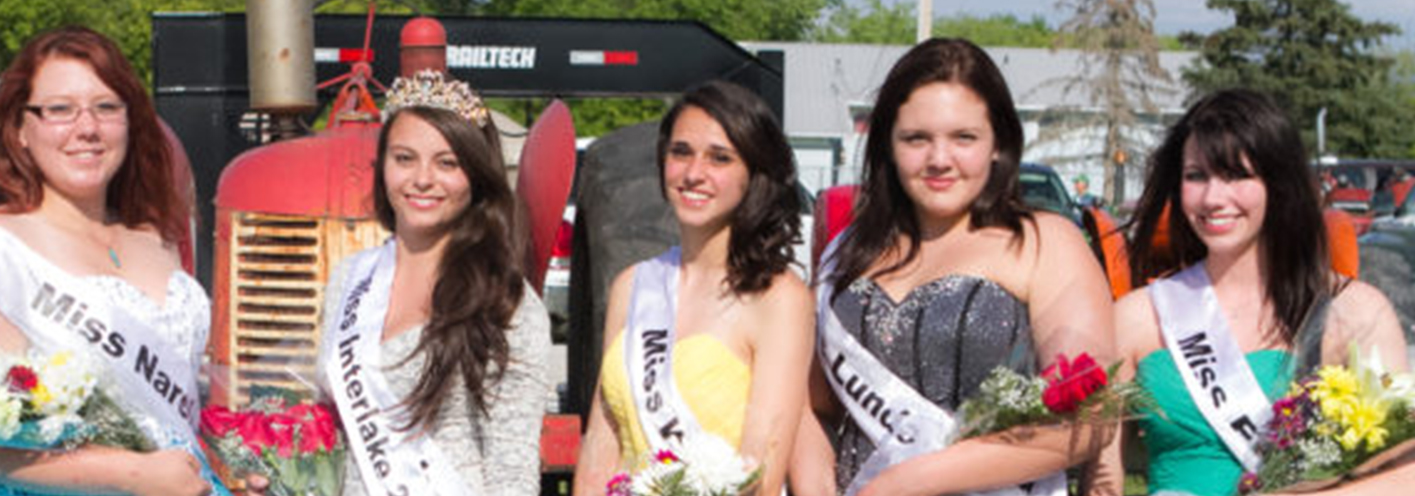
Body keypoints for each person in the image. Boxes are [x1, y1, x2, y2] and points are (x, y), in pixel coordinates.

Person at [792, 38, 1116, 496]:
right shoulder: (847, 252)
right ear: (888, 145)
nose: (939, 160)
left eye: (964, 137)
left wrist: (908, 482)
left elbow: (1088, 417)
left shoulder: (1044, 242)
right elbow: (810, 406)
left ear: (999, 144)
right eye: (916, 139)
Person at [0, 26, 224, 496]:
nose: (87, 128)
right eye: (60, 109)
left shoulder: (154, 236)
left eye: (106, 107)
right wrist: (131, 474)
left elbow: (179, 407)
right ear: (19, 129)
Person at [1102, 89, 1410, 496]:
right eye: (1196, 176)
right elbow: (1100, 480)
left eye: (1237, 175)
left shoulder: (1354, 312)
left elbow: (1404, 473)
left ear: (1279, 184)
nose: (1213, 198)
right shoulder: (1139, 315)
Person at [571, 80, 815, 496]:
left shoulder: (778, 298)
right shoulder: (633, 286)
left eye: (720, 158)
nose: (693, 173)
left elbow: (762, 471)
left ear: (754, 173)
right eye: (681, 152)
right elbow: (601, 445)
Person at [317, 70, 551, 496]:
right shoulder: (349, 280)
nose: (422, 179)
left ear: (476, 175)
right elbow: (330, 436)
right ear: (383, 166)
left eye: (447, 163)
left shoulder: (505, 299)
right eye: (404, 158)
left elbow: (513, 468)